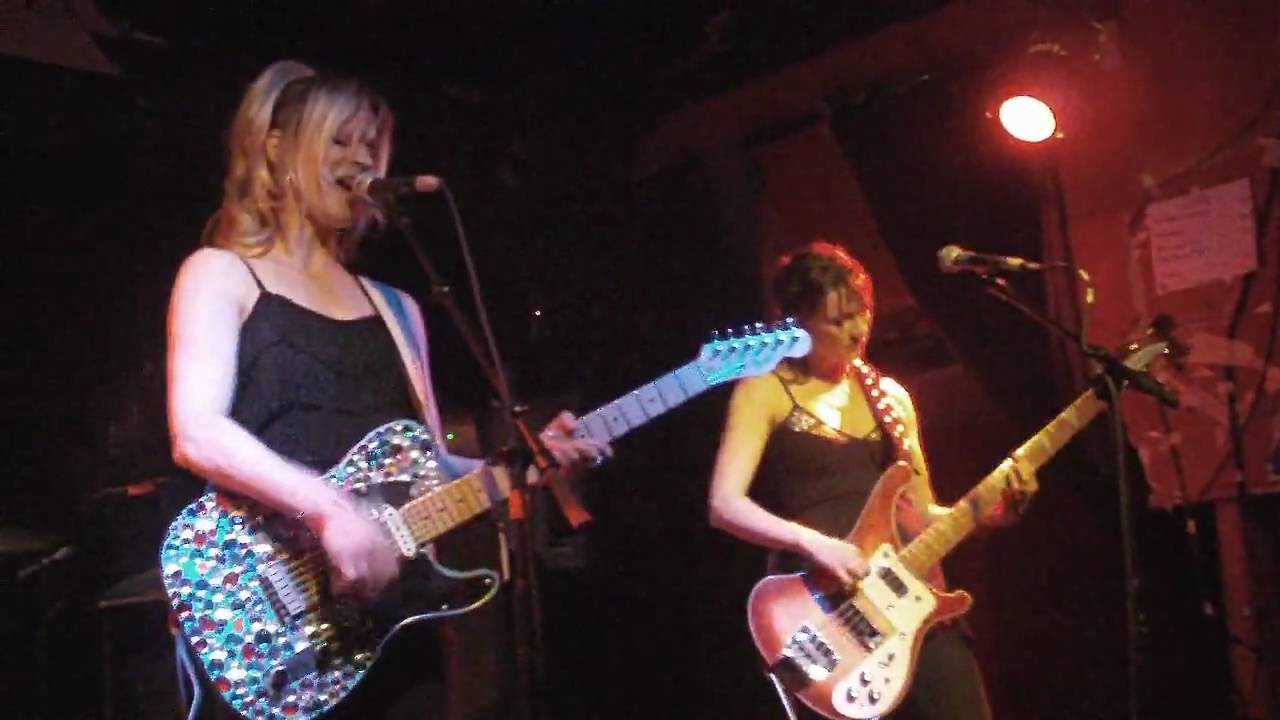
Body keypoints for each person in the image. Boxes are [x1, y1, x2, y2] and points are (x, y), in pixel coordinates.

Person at [166, 59, 610, 718]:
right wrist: (329, 510)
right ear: (279, 148)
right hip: (266, 620)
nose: (359, 159)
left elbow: (424, 469)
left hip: (390, 636)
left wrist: (528, 461)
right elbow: (196, 432)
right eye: (339, 141)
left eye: (370, 145)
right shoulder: (220, 273)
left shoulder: (398, 307)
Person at [707, 241, 1033, 719]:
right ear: (797, 324)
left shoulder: (891, 398)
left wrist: (992, 515)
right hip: (827, 616)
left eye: (862, 313)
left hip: (912, 610)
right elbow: (724, 504)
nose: (858, 330)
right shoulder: (765, 390)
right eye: (838, 322)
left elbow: (924, 517)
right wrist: (816, 544)